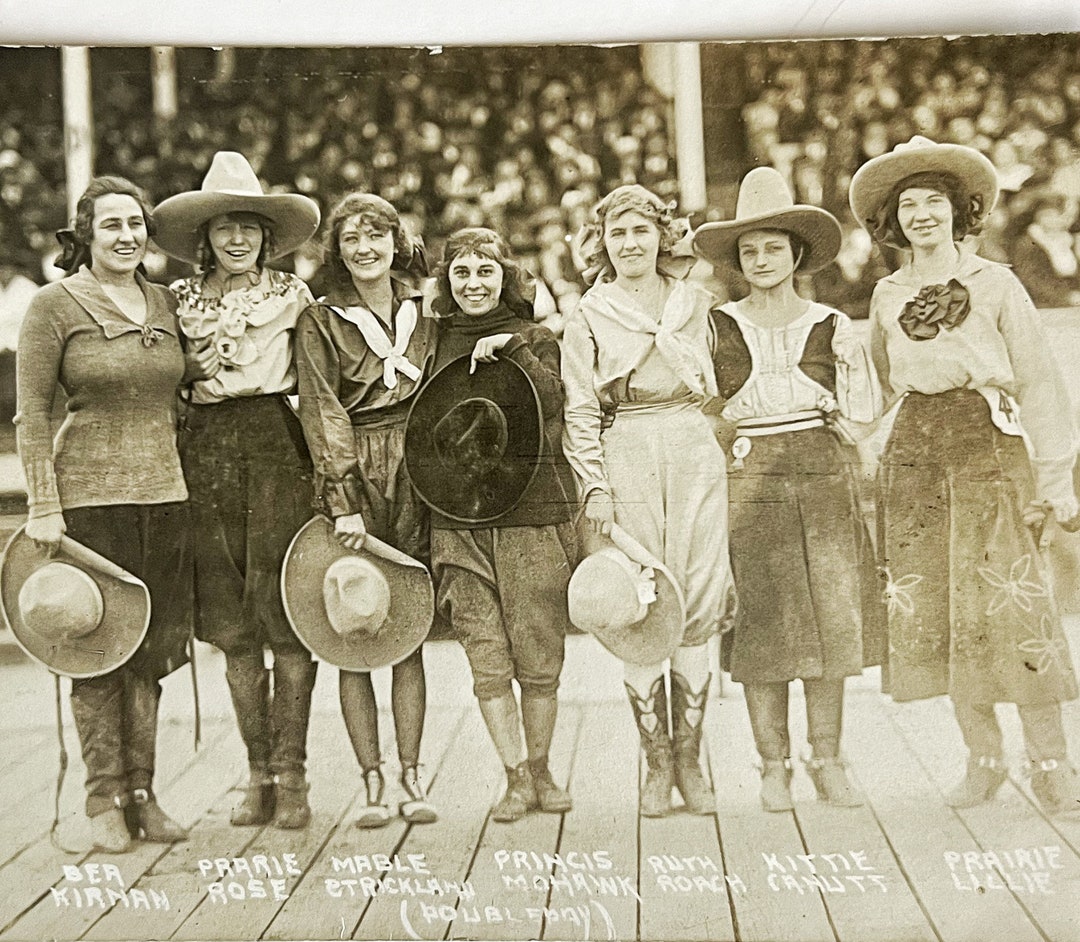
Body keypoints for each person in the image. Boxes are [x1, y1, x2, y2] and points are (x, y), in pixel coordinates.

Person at [850, 136, 1080, 816]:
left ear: (959, 212)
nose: (922, 215)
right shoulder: (888, 294)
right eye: (909, 206)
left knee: (1014, 608)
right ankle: (982, 759)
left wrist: (1056, 479)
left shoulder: (997, 283)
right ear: (895, 221)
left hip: (988, 446)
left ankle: (1052, 764)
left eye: (935, 203)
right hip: (917, 459)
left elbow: (1039, 383)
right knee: (947, 615)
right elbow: (879, 389)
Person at [693, 167, 885, 812]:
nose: (761, 259)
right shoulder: (714, 326)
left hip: (822, 474)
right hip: (751, 479)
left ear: (797, 255)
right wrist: (728, 434)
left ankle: (827, 757)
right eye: (749, 251)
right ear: (738, 263)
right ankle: (772, 763)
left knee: (832, 617)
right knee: (763, 620)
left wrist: (838, 429)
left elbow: (863, 413)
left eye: (773, 247)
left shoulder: (832, 324)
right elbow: (701, 410)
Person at [15, 176, 193, 852]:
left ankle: (143, 794)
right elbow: (32, 416)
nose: (127, 236)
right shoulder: (52, 306)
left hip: (166, 497)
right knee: (98, 651)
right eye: (112, 224)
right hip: (88, 503)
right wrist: (43, 503)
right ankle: (100, 800)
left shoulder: (168, 302)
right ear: (84, 234)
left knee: (148, 654)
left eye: (136, 223)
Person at [152, 151, 322, 829]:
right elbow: (164, 383)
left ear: (266, 234)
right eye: (223, 227)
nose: (237, 239)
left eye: (248, 226)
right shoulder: (175, 301)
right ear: (205, 236)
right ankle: (257, 774)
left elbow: (314, 387)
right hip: (204, 454)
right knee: (232, 627)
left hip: (276, 448)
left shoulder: (293, 296)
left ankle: (295, 773)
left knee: (287, 617)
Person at [561, 184, 735, 817]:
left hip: (692, 446)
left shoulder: (696, 303)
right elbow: (579, 407)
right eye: (617, 234)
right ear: (603, 244)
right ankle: (655, 765)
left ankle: (692, 763)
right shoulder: (589, 312)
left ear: (662, 237)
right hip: (627, 448)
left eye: (641, 231)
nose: (630, 244)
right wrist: (595, 487)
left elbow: (720, 385)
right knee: (640, 601)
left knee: (697, 596)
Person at [418, 227, 576, 821]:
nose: (474, 283)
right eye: (461, 272)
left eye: (486, 271)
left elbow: (556, 401)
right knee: (486, 656)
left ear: (506, 277)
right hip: (457, 517)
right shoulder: (431, 341)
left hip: (531, 516)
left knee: (538, 654)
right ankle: (513, 777)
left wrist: (513, 350)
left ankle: (541, 769)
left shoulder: (536, 336)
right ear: (447, 283)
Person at [294, 193, 438, 828]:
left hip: (422, 466)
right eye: (351, 238)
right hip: (356, 464)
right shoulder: (322, 318)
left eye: (376, 235)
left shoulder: (427, 307)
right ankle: (372, 782)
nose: (364, 248)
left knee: (406, 628)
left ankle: (413, 776)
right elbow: (323, 410)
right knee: (352, 625)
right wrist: (343, 499)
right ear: (337, 250)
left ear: (396, 240)